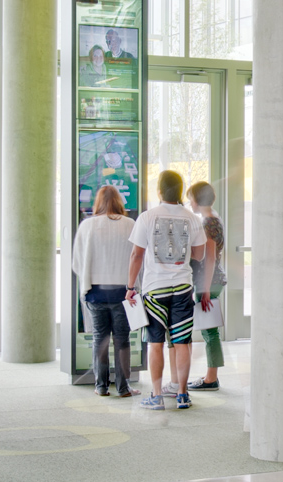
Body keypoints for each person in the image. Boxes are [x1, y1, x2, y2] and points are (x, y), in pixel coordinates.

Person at [128, 170, 207, 411]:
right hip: (183, 287)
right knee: (182, 342)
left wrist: (130, 287)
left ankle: (156, 396)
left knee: (155, 344)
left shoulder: (147, 217)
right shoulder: (192, 218)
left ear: (159, 191)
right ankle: (183, 395)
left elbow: (136, 255)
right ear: (181, 191)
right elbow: (199, 254)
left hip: (154, 289)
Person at [74, 185, 137, 397]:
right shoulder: (130, 224)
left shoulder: (87, 225)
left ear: (98, 202)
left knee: (100, 339)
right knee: (122, 339)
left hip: (95, 292)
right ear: (119, 201)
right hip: (123, 292)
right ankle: (123, 387)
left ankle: (101, 386)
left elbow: (77, 263)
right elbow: (138, 259)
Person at [188, 180, 226, 391]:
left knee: (209, 332)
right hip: (212, 280)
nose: (189, 202)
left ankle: (211, 378)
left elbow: (209, 258)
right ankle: (211, 375)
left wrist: (203, 288)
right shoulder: (214, 217)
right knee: (209, 330)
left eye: (191, 198)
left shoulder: (208, 222)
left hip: (209, 281)